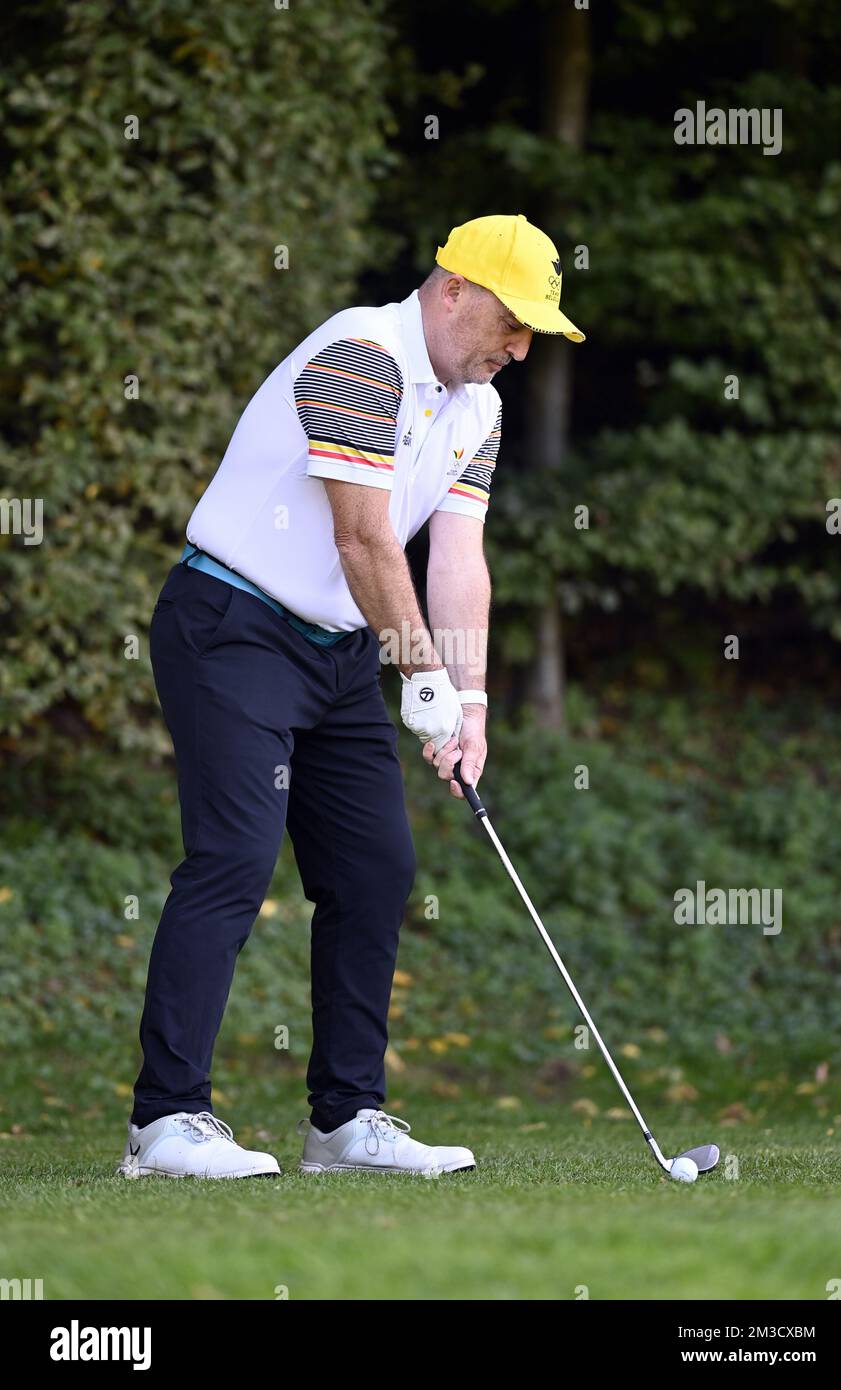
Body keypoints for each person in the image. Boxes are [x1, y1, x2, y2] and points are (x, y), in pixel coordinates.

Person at [117, 213, 585, 1180]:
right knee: (235, 858)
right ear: (452, 290)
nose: (519, 347)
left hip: (334, 649)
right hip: (231, 624)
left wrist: (473, 703)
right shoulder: (358, 355)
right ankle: (164, 1121)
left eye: (534, 330)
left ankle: (346, 1121)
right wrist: (420, 675)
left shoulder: (478, 408)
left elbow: (458, 556)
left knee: (375, 867)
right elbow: (364, 540)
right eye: (511, 320)